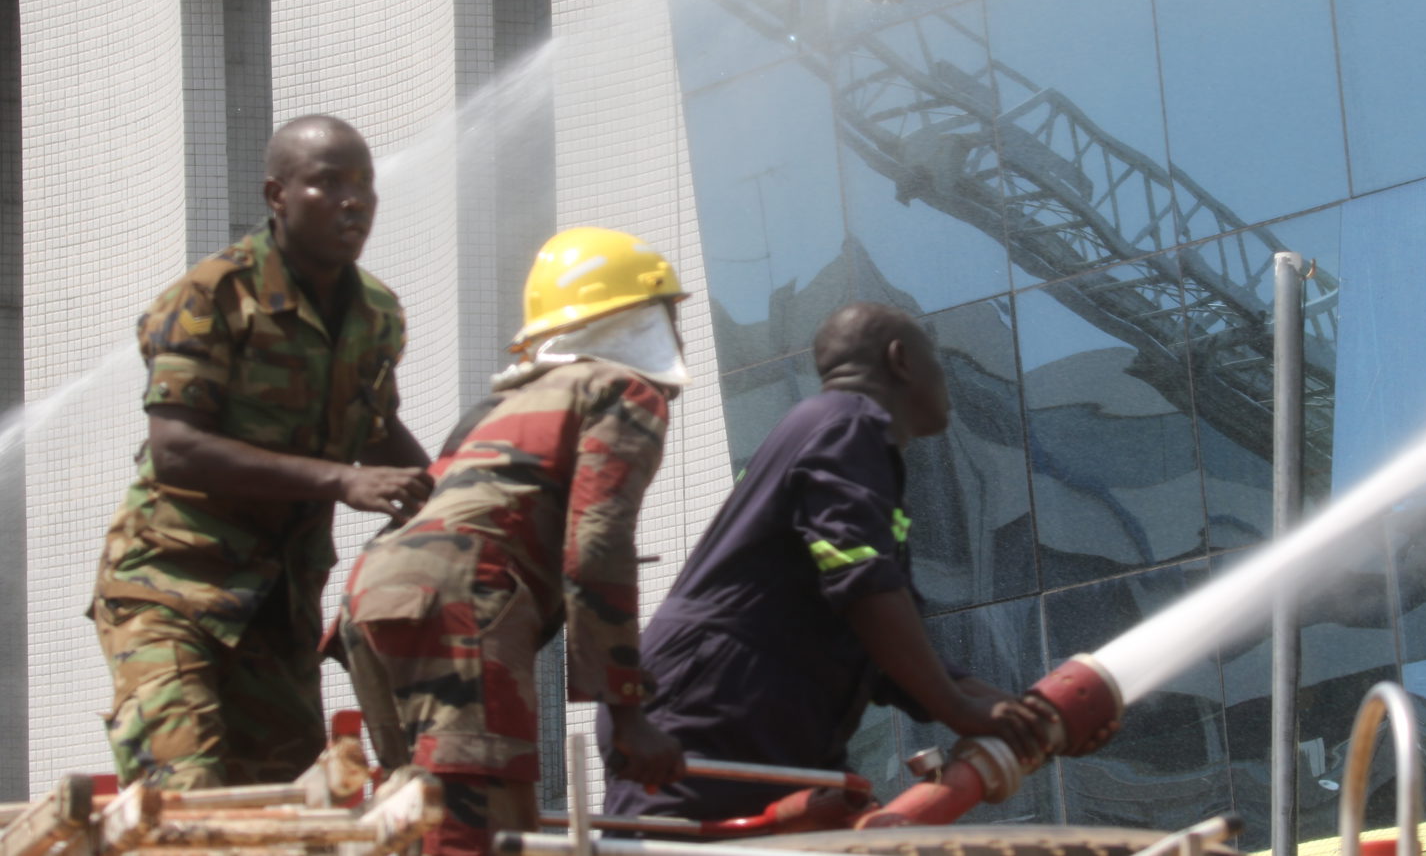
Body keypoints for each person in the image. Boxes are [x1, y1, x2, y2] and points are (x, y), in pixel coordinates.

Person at [605, 302, 1053, 822]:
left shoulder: (840, 435)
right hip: (714, 713)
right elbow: (863, 582)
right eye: (938, 359)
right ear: (901, 358)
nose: (945, 379)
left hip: (736, 712)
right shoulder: (847, 425)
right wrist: (960, 709)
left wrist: (1017, 716)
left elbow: (880, 638)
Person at [91, 115, 433, 790]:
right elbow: (176, 449)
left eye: (363, 184)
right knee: (183, 798)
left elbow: (376, 427)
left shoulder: (377, 314)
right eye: (327, 183)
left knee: (291, 810)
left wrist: (453, 497)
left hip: (278, 607)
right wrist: (341, 480)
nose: (353, 202)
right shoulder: (213, 295)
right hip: (171, 587)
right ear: (277, 194)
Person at [338, 228, 690, 856]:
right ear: (639, 317)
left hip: (375, 596)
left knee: (408, 818)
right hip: (455, 604)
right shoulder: (620, 388)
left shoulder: (511, 402)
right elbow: (600, 539)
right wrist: (627, 711)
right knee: (479, 829)